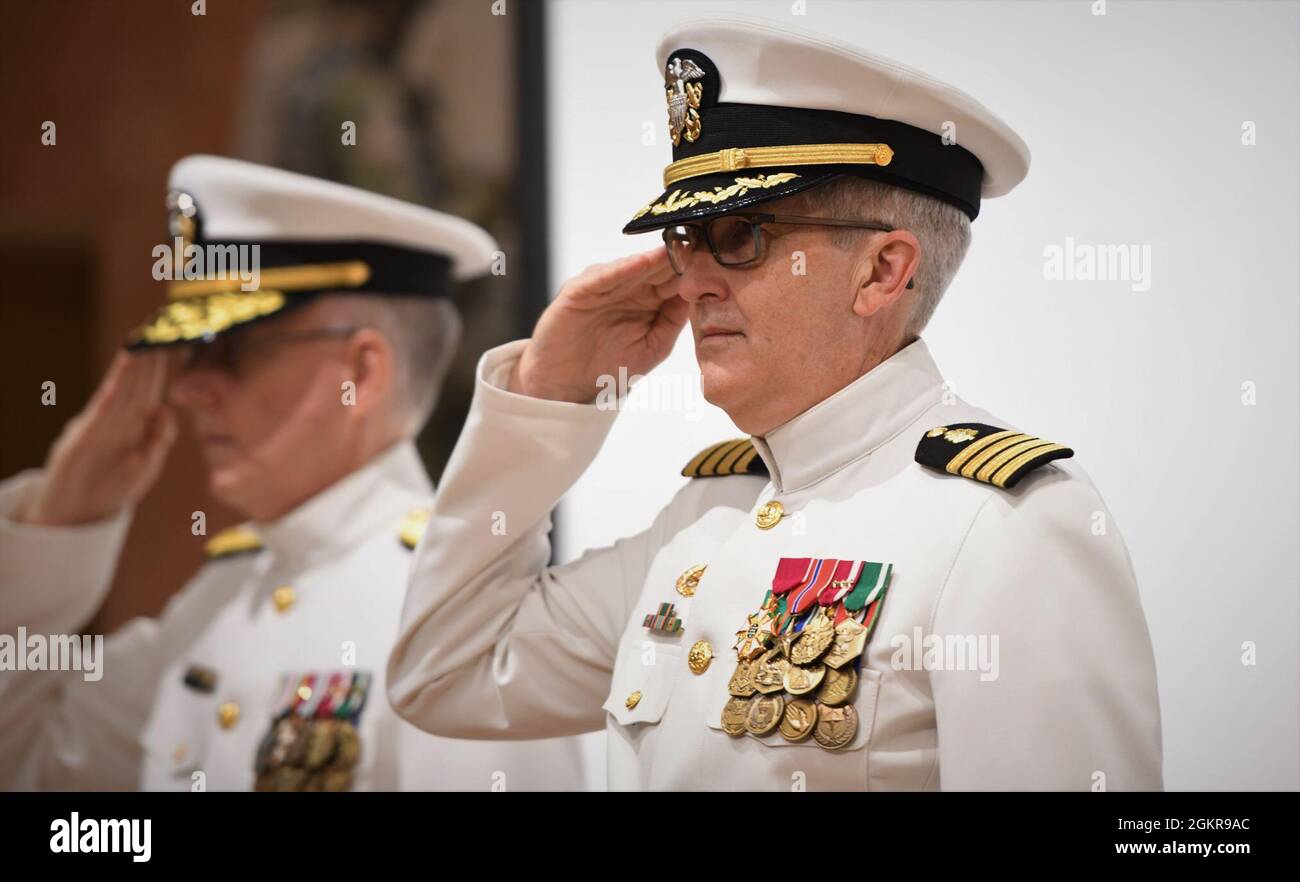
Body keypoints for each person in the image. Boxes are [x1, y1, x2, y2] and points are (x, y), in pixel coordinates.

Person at [386, 20, 1163, 791]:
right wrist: (547, 396)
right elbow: (447, 671)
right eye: (689, 236)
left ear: (883, 271)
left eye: (742, 235)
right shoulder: (707, 516)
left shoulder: (1008, 527)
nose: (691, 280)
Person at [0, 155, 592, 791]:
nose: (189, 387)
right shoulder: (214, 602)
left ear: (361, 373)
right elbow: (27, 769)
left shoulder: (458, 619)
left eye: (230, 348)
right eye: (191, 350)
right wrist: (56, 522)